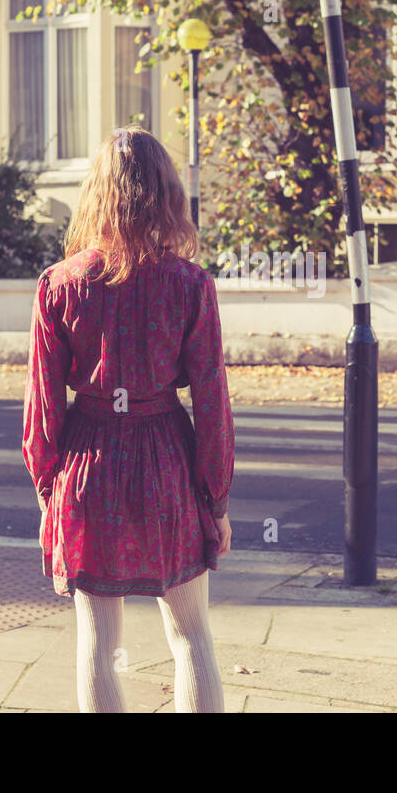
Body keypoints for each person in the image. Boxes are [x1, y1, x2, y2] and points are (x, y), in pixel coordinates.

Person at [22, 125, 235, 713]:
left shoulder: (59, 286)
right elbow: (212, 400)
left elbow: (42, 405)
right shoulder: (191, 285)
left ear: (97, 193)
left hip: (87, 466)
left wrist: (47, 488)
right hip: (167, 463)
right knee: (191, 637)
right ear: (166, 193)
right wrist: (216, 500)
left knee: (97, 644)